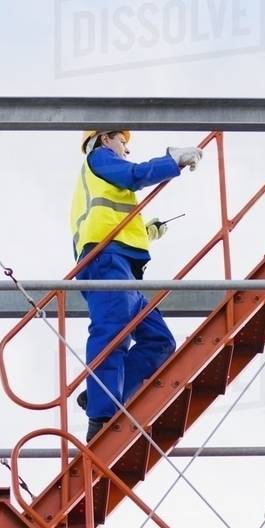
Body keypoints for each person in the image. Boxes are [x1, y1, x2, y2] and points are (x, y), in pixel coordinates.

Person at [70, 128, 202, 440]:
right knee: (112, 331)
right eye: (122, 142)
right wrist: (172, 161)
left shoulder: (102, 174)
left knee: (160, 342)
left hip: (122, 266)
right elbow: (133, 175)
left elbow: (114, 216)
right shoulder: (99, 157)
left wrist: (148, 231)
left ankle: (102, 392)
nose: (126, 150)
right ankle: (101, 415)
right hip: (106, 259)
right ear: (106, 139)